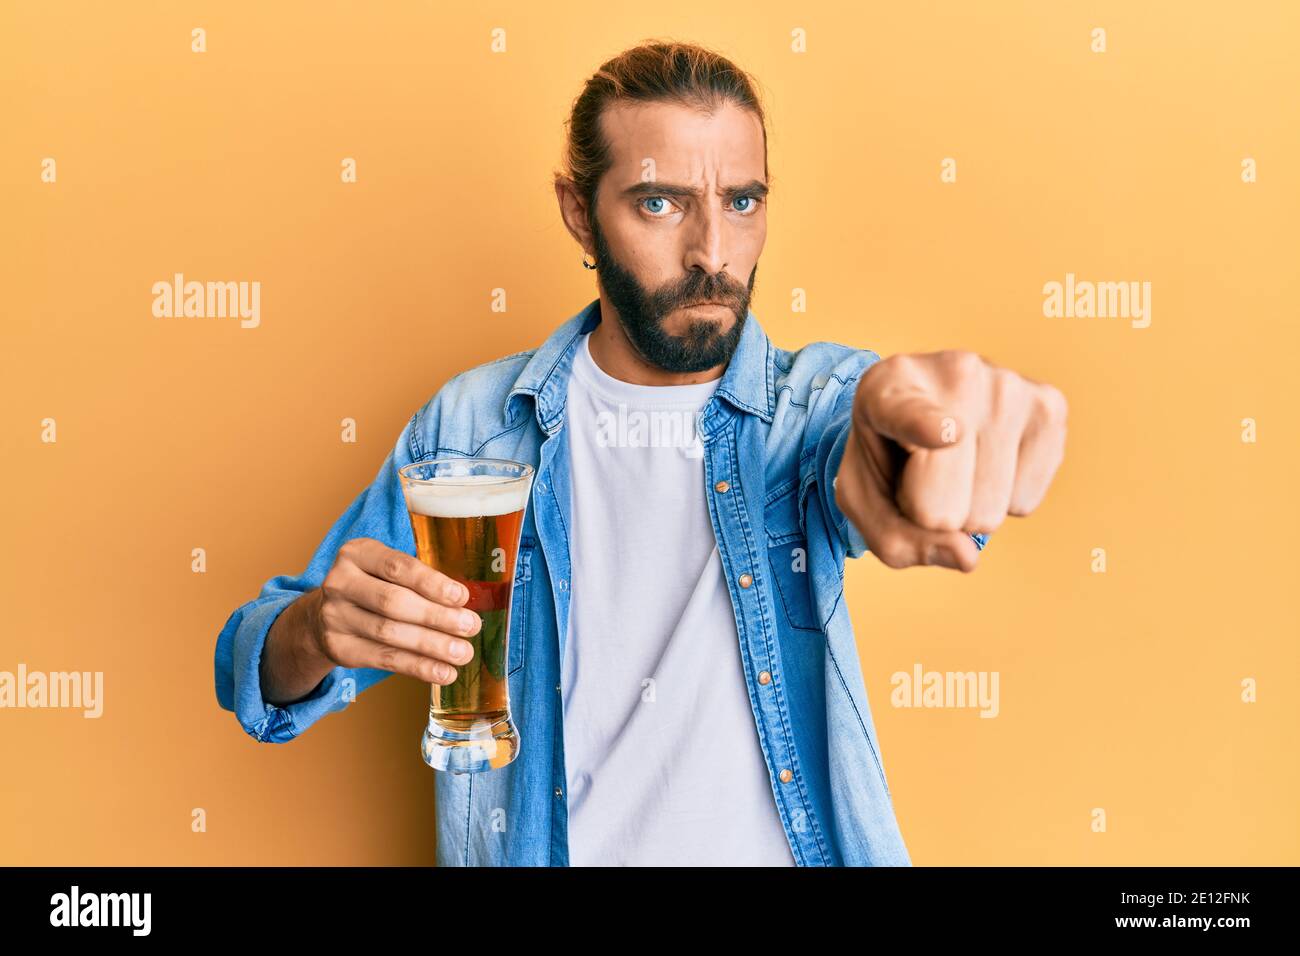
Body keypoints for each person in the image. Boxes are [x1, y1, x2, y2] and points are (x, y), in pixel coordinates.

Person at [214, 40, 1067, 866]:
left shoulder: (805, 409)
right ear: (579, 210)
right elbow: (250, 668)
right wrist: (318, 629)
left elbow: (874, 437)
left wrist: (934, 441)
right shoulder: (473, 424)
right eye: (659, 203)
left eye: (742, 201)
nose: (712, 254)